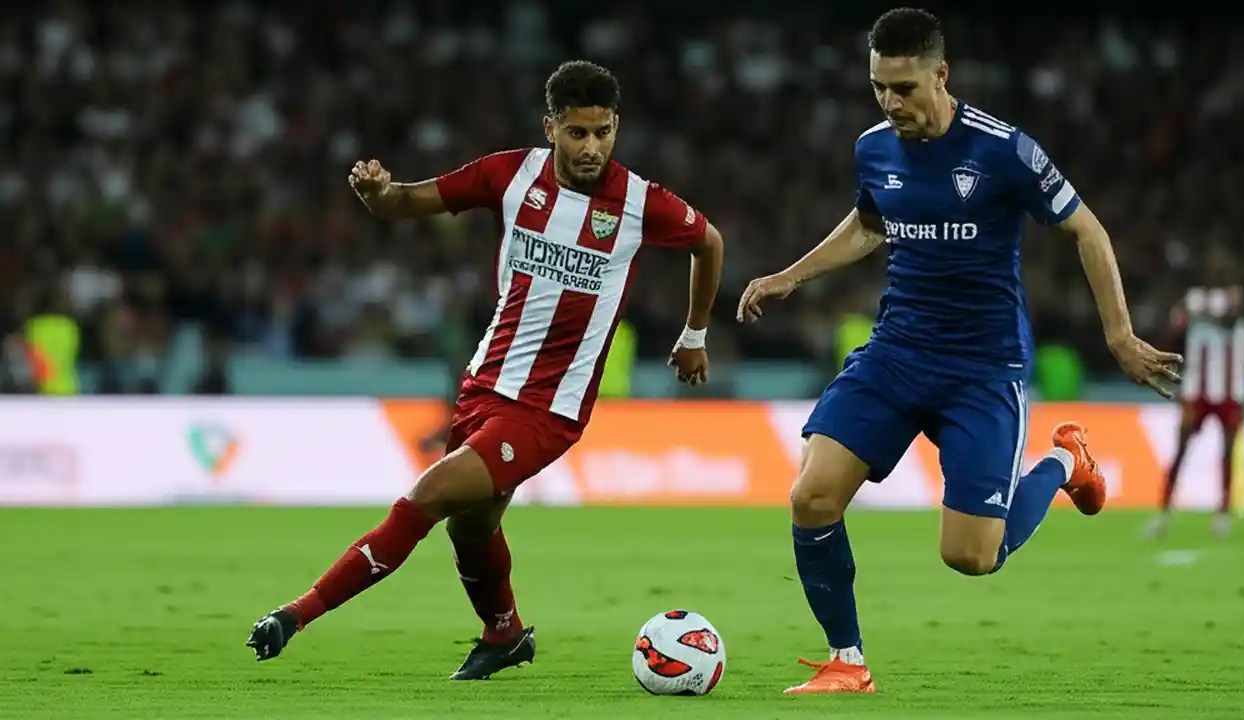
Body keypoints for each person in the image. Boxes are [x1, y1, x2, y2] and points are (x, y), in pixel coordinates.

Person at [736, 8, 1181, 695]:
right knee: (812, 496)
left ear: (941, 75)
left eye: (905, 88)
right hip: (897, 353)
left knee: (973, 557)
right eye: (879, 87)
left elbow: (1087, 231)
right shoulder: (874, 148)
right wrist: (791, 275)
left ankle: (1065, 459)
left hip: (981, 368)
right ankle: (847, 662)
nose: (890, 102)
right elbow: (868, 224)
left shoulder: (1004, 151)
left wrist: (1119, 335)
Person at [245, 60, 725, 680]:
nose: (592, 147)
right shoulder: (510, 174)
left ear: (616, 127)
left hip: (547, 410)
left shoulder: (637, 202)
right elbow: (408, 203)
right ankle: (505, 635)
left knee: (428, 497)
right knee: (471, 530)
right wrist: (378, 194)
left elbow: (707, 242)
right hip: (483, 386)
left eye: (603, 132)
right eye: (577, 133)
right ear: (550, 127)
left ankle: (295, 614)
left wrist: (695, 334)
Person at [1149, 280, 1244, 538]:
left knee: (1228, 452)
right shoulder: (1194, 299)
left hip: (1232, 393)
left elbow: (1234, 320)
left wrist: (1200, 313)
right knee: (1181, 451)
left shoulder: (1240, 308)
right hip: (1196, 391)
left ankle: (1222, 512)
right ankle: (1164, 511)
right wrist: (1183, 315)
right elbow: (1170, 332)